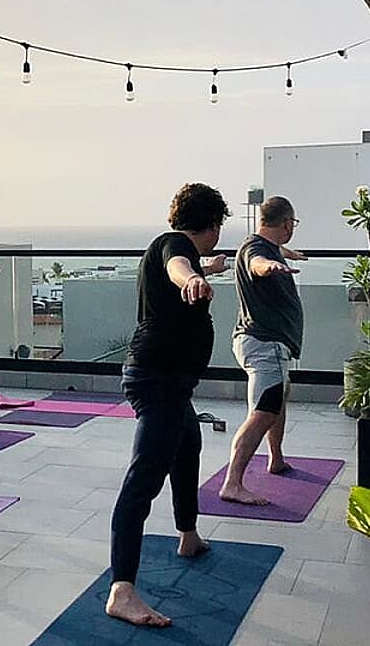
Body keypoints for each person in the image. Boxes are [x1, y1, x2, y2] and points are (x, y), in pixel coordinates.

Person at [107, 183, 230, 629]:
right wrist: (194, 277)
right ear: (213, 225)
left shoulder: (183, 249)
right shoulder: (174, 246)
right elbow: (177, 267)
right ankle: (122, 589)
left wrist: (207, 270)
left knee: (188, 446)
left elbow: (185, 266)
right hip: (156, 381)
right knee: (143, 479)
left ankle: (188, 535)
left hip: (172, 384)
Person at [219, 197, 303, 506]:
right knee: (262, 412)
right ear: (286, 223)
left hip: (265, 342)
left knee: (278, 397)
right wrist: (269, 267)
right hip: (264, 345)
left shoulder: (265, 245)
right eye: (293, 224)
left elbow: (268, 252)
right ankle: (232, 483)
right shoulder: (256, 252)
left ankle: (275, 458)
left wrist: (283, 254)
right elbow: (256, 262)